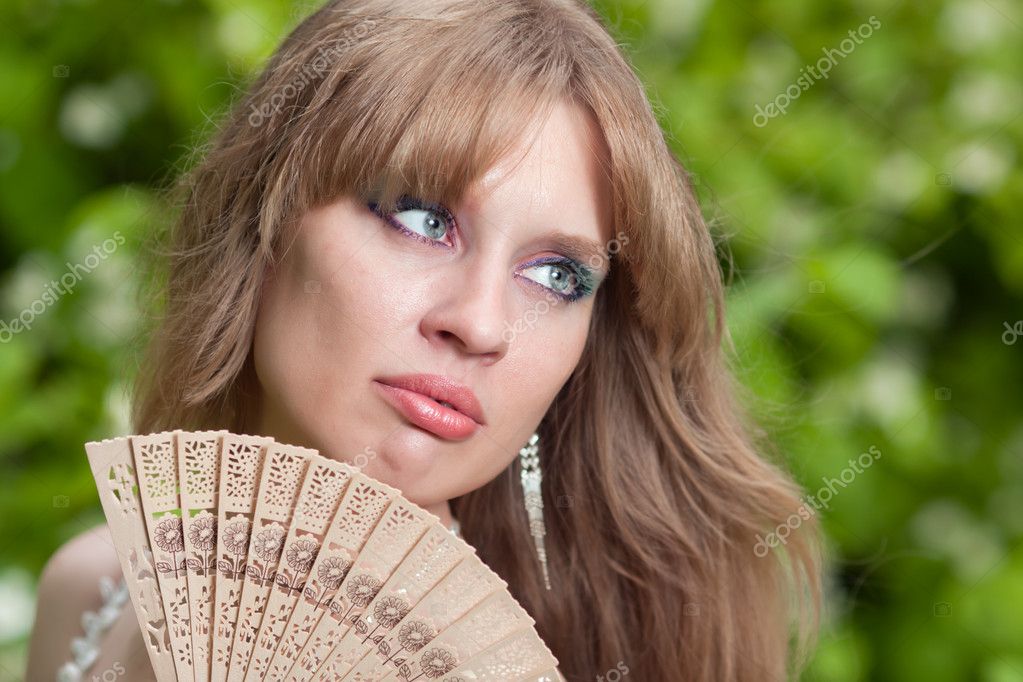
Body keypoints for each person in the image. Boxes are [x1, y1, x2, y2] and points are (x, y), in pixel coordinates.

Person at [28, 0, 822, 679]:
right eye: (422, 219)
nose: (479, 325)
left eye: (556, 277)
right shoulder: (92, 585)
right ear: (264, 220)